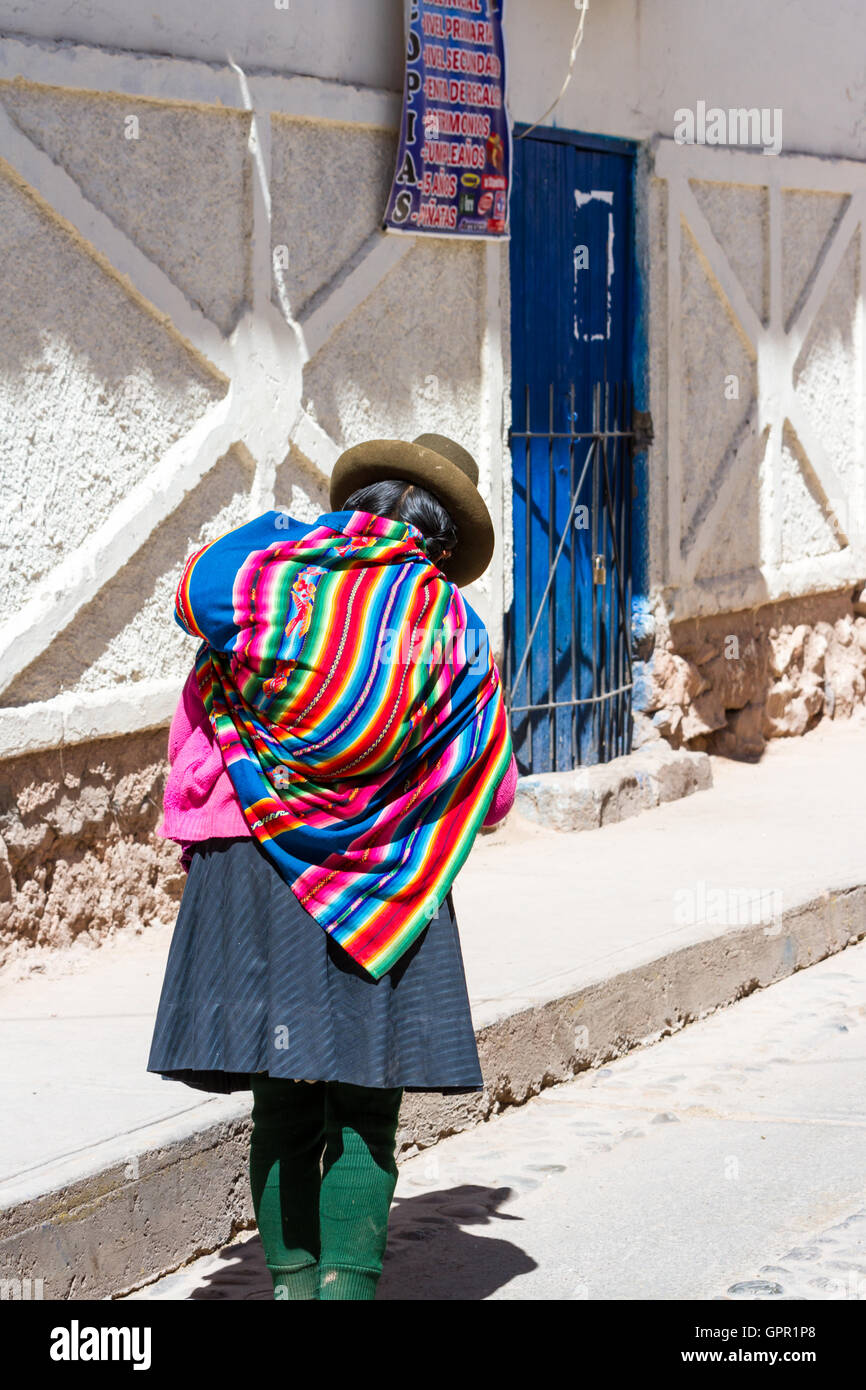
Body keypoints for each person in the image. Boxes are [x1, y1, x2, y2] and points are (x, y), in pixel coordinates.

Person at [147, 432, 517, 1300]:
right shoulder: (452, 625)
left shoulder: (278, 579)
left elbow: (188, 594)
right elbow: (492, 794)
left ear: (357, 506)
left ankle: (288, 1288)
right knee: (364, 1100)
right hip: (390, 887)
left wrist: (274, 526)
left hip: (252, 865)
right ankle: (344, 1294)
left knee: (280, 1094)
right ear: (443, 543)